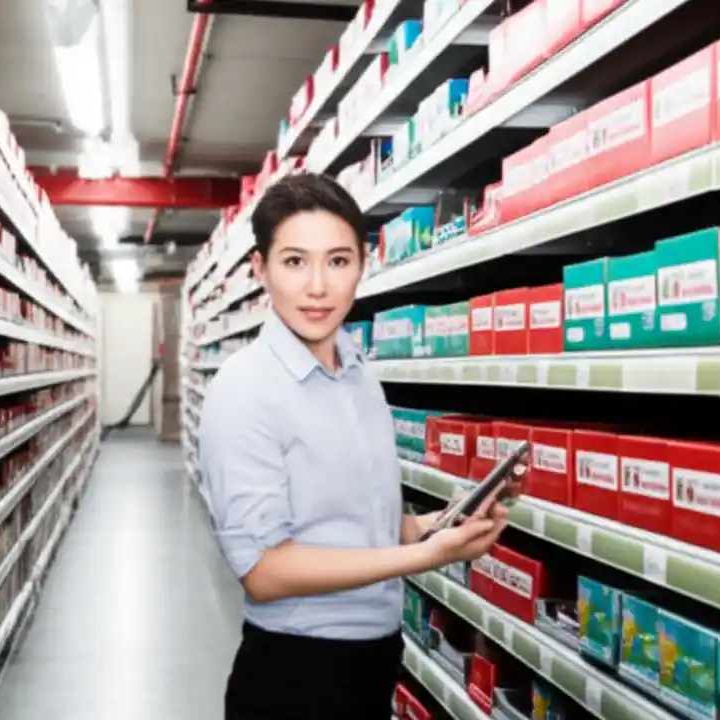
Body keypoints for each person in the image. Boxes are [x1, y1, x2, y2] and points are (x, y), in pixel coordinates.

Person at [197, 173, 527, 719]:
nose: (318, 287)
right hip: (295, 676)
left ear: (363, 264)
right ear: (260, 269)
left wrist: (448, 522)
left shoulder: (359, 376)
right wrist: (422, 557)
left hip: (374, 661)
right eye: (295, 261)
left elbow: (367, 527)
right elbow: (263, 570)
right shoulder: (244, 389)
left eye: (338, 261)